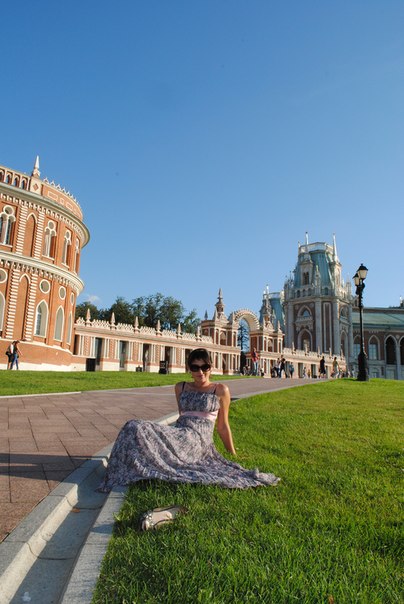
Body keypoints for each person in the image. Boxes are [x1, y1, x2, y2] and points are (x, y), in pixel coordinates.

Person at [99, 348, 280, 492]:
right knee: (133, 426)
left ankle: (131, 468)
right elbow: (182, 416)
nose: (200, 372)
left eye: (204, 367)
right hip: (181, 432)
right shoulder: (181, 387)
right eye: (195, 368)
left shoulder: (220, 390)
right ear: (189, 369)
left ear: (210, 368)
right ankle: (120, 470)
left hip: (198, 440)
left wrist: (232, 453)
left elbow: (223, 426)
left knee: (137, 427)